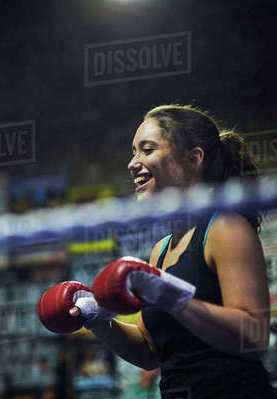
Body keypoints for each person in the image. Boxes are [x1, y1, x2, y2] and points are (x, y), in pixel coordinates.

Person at [38, 105, 276, 398]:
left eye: (147, 150)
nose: (132, 163)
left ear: (193, 159)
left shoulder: (225, 228)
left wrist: (172, 297)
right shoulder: (161, 250)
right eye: (133, 152)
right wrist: (98, 320)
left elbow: (255, 338)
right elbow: (151, 352)